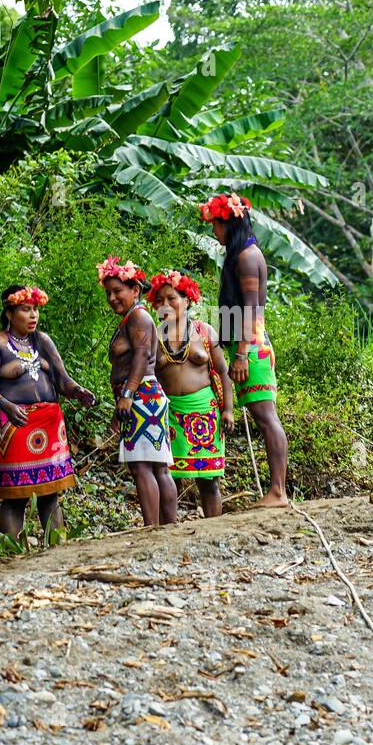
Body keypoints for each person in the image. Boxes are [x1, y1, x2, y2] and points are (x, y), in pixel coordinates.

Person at [0, 285, 96, 546]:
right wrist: (7, 405)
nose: (33, 316)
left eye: (35, 310)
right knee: (14, 495)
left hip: (49, 423)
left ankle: (57, 550)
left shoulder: (42, 341)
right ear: (9, 313)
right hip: (14, 422)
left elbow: (62, 379)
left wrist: (78, 392)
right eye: (25, 310)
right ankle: (13, 552)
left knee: (50, 492)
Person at [202, 193, 289, 507]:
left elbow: (252, 310)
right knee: (264, 417)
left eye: (216, 225)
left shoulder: (247, 257)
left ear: (230, 223)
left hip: (251, 348)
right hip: (250, 345)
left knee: (266, 418)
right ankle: (276, 490)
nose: (215, 232)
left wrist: (240, 354)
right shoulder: (242, 254)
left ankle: (278, 491)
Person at [98, 256, 178, 526]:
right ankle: (166, 526)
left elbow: (142, 356)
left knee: (143, 465)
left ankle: (152, 527)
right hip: (145, 396)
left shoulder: (139, 317)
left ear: (135, 290)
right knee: (156, 465)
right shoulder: (132, 318)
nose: (112, 298)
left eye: (118, 291)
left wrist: (128, 395)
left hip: (141, 395)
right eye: (108, 292)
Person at [148, 269, 235, 518]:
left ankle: (213, 528)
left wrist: (228, 410)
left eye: (172, 298)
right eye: (160, 300)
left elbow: (223, 372)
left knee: (208, 481)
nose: (165, 304)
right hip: (168, 414)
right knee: (169, 478)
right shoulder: (153, 335)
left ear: (187, 300)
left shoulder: (205, 331)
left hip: (204, 412)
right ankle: (169, 530)